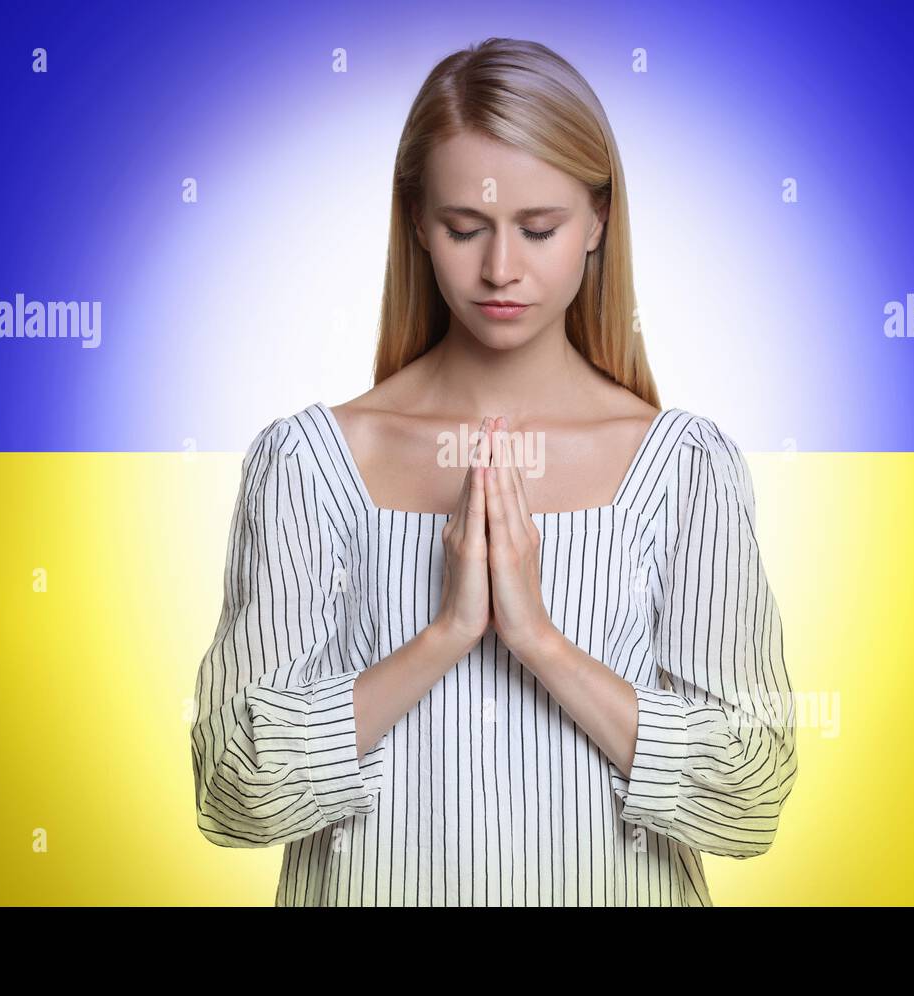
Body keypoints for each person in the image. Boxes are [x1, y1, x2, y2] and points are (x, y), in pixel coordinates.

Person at [190, 37, 797, 906]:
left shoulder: (685, 468)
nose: (500, 269)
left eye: (538, 229)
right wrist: (442, 638)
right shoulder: (307, 465)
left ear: (597, 224)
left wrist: (540, 643)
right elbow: (233, 792)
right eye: (464, 228)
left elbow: (752, 795)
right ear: (418, 227)